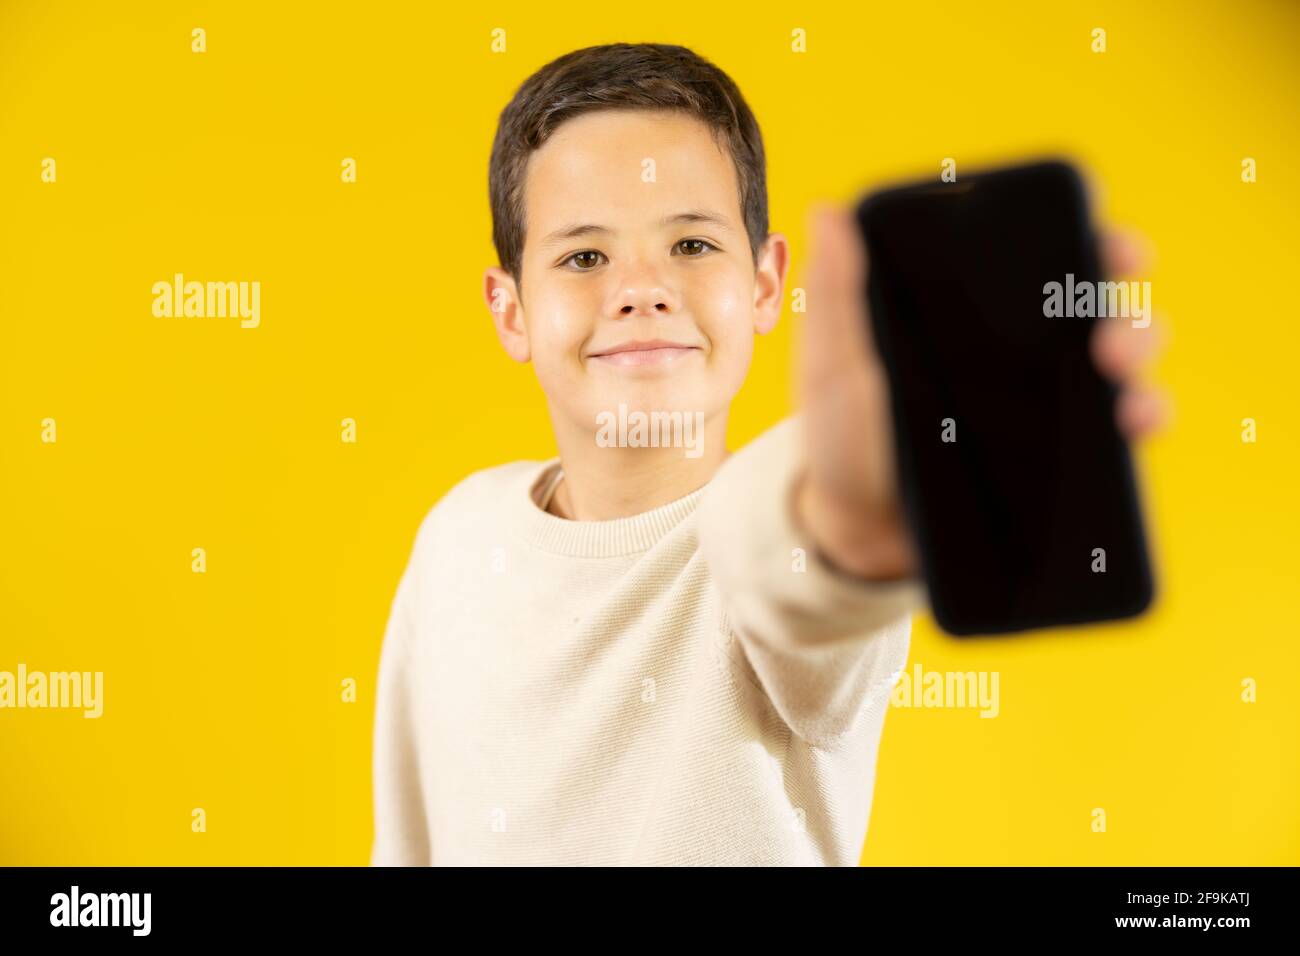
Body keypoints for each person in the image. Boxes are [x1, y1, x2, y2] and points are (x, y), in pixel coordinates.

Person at [370, 42, 1167, 865]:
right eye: (583, 257)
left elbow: (806, 576)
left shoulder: (775, 532)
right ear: (510, 310)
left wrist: (851, 517)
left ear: (763, 283)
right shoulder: (457, 537)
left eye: (691, 245)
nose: (642, 288)